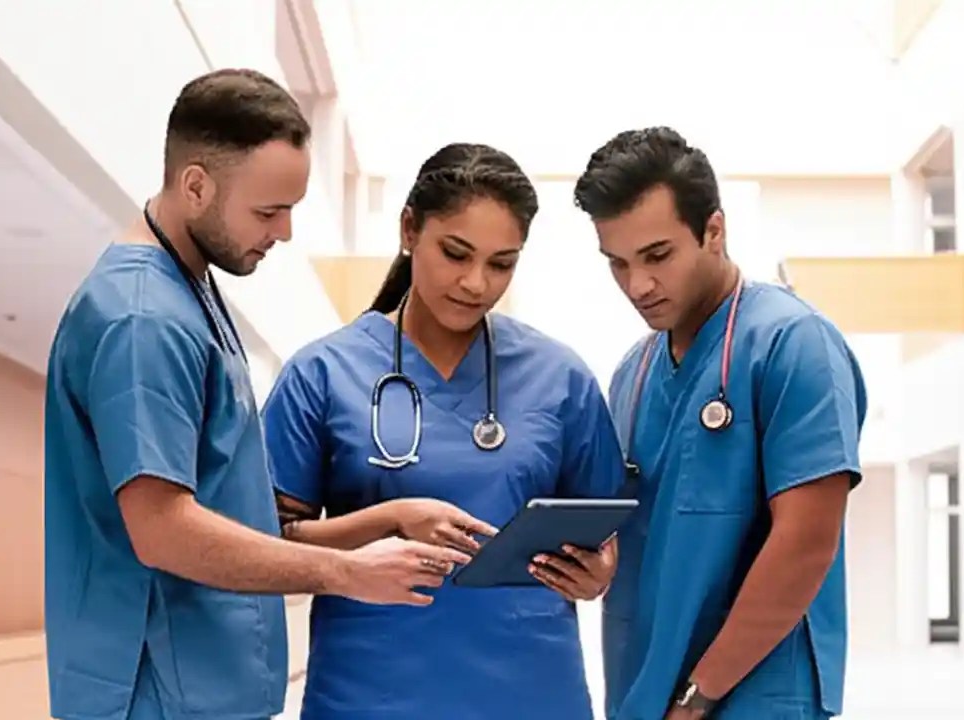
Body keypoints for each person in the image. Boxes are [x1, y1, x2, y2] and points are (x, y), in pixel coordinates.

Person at [43, 69, 469, 720]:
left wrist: (384, 520)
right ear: (195, 186)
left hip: (203, 688)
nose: (285, 232)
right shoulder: (141, 319)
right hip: (155, 692)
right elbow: (162, 531)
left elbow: (234, 514)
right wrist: (344, 574)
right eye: (269, 211)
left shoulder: (188, 292)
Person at [260, 142, 627, 719]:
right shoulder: (324, 373)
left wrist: (598, 570)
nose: (476, 283)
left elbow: (604, 529)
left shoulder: (560, 377)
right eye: (455, 254)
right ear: (410, 229)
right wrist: (390, 519)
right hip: (371, 694)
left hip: (531, 692)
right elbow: (267, 544)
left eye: (501, 263)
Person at [572, 127, 866, 720]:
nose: (638, 285)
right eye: (618, 264)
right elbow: (632, 536)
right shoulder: (633, 373)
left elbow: (807, 544)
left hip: (748, 694)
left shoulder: (792, 344)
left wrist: (698, 696)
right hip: (644, 687)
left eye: (658, 256)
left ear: (714, 230)